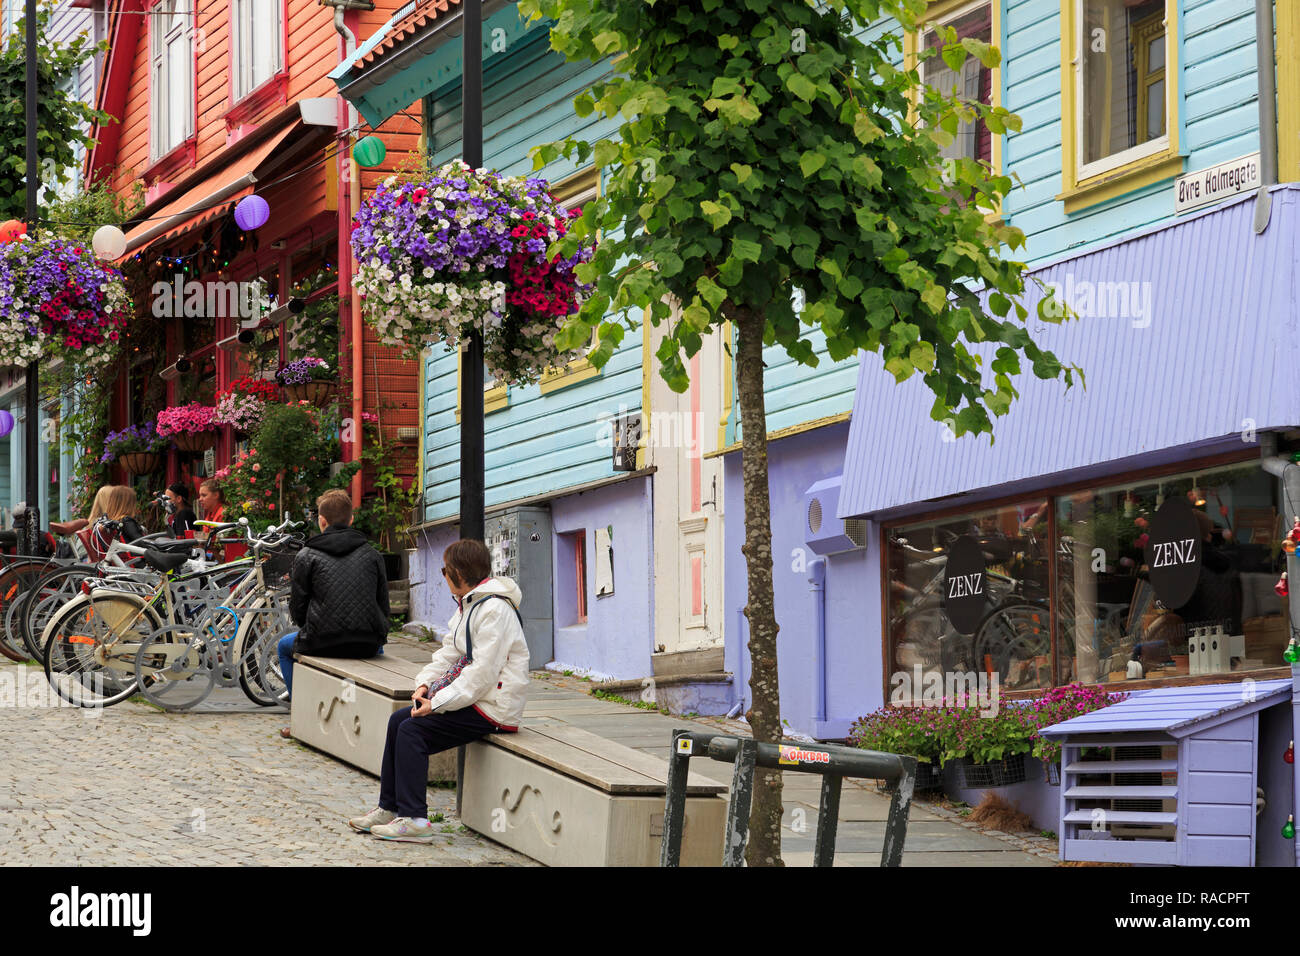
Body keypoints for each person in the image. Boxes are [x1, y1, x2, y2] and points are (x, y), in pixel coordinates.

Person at [349, 538, 530, 844]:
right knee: (398, 720)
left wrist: (436, 704)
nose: (443, 576)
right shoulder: (470, 604)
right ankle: (389, 808)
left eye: (445, 570)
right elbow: (449, 654)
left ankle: (415, 820)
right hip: (477, 698)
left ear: (458, 573)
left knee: (412, 731)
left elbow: (482, 674)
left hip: (494, 706)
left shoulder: (495, 610)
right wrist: (423, 685)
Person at [278, 488, 389, 737]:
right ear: (351, 520)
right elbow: (383, 605)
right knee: (379, 651)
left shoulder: (307, 555)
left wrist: (312, 627)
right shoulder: (372, 554)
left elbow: (298, 608)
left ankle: (300, 719)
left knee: (284, 648)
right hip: (367, 643)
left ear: (322, 521)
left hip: (322, 640)